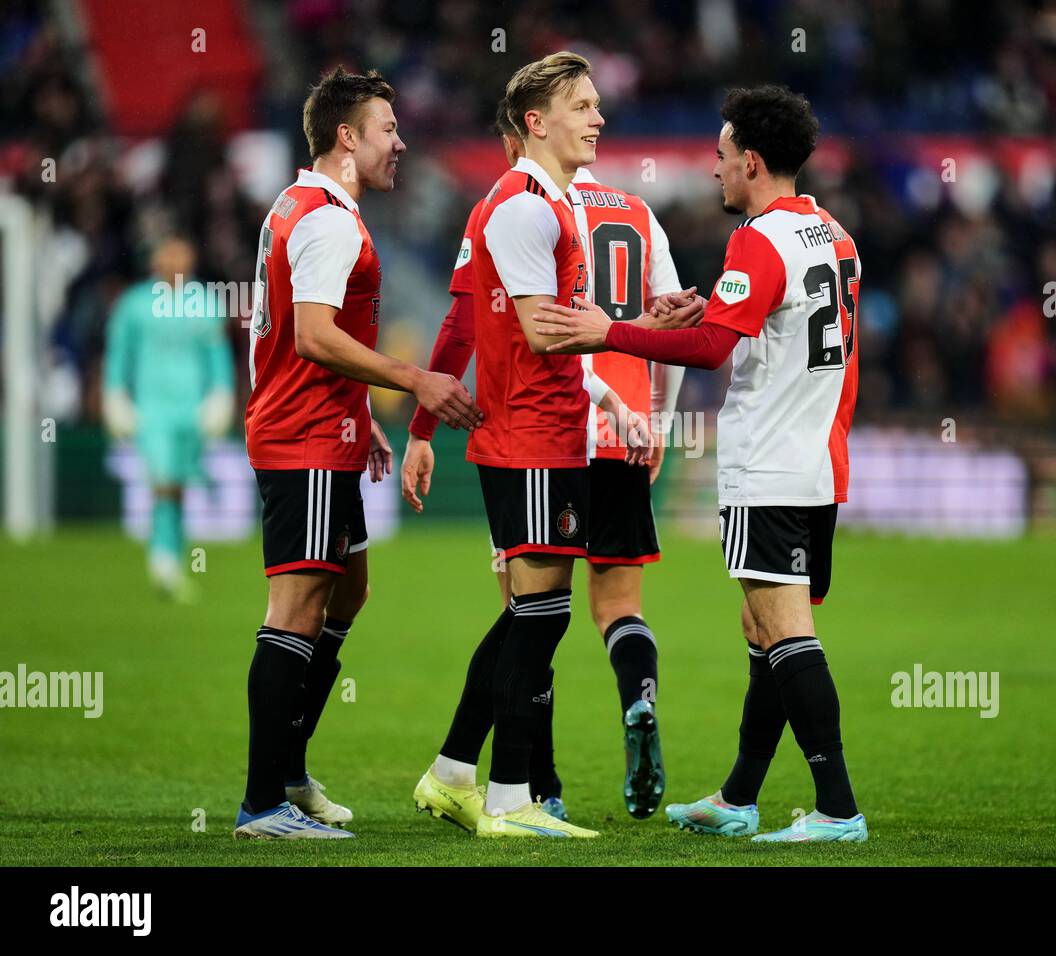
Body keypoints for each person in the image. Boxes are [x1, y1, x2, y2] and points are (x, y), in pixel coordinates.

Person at [536, 84, 867, 844]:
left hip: (770, 466)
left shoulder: (756, 239)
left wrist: (608, 333)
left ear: (751, 162)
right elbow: (768, 328)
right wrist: (707, 311)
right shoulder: (834, 235)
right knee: (762, 628)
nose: (714, 171)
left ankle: (837, 808)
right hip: (818, 460)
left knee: (785, 633)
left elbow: (715, 349)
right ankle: (740, 797)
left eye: (720, 157)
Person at [402, 97, 691, 822]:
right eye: (583, 109)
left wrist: (421, 426)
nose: (596, 121)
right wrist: (649, 410)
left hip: (562, 425)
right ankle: (599, 729)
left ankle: (528, 784)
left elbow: (462, 323)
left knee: (529, 617)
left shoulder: (529, 209)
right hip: (579, 428)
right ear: (530, 130)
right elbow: (658, 323)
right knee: (591, 611)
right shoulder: (609, 210)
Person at [235, 66, 482, 839]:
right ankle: (261, 804)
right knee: (296, 609)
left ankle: (289, 768)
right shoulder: (331, 220)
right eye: (387, 128)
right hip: (300, 438)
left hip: (328, 428)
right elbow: (310, 334)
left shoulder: (301, 202)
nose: (400, 142)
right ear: (347, 138)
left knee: (349, 593)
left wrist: (359, 414)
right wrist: (412, 379)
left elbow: (298, 334)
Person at [102, 235, 234, 602]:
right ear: (156, 262)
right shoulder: (135, 304)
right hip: (152, 406)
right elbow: (119, 353)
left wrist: (221, 392)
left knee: (178, 485)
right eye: (168, 256)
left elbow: (217, 354)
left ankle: (171, 558)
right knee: (162, 479)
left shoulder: (204, 302)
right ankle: (162, 559)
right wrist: (115, 394)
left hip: (191, 408)